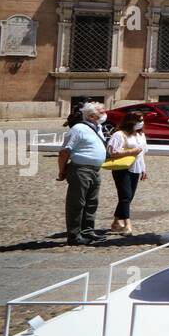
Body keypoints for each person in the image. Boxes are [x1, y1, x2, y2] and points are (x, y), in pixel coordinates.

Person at [56, 101, 108, 245]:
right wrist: (62, 171)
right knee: (76, 203)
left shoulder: (98, 128)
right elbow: (65, 151)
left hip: (95, 170)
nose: (105, 114)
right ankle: (74, 235)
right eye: (102, 112)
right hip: (80, 169)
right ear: (91, 116)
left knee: (92, 202)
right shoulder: (78, 128)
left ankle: (87, 231)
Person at [106, 111, 148, 234]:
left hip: (136, 168)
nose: (141, 123)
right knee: (125, 196)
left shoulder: (141, 135)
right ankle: (127, 224)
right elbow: (111, 152)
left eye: (142, 120)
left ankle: (115, 222)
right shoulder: (119, 135)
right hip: (122, 168)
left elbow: (142, 154)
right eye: (138, 120)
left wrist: (144, 168)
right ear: (130, 121)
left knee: (129, 197)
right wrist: (130, 152)